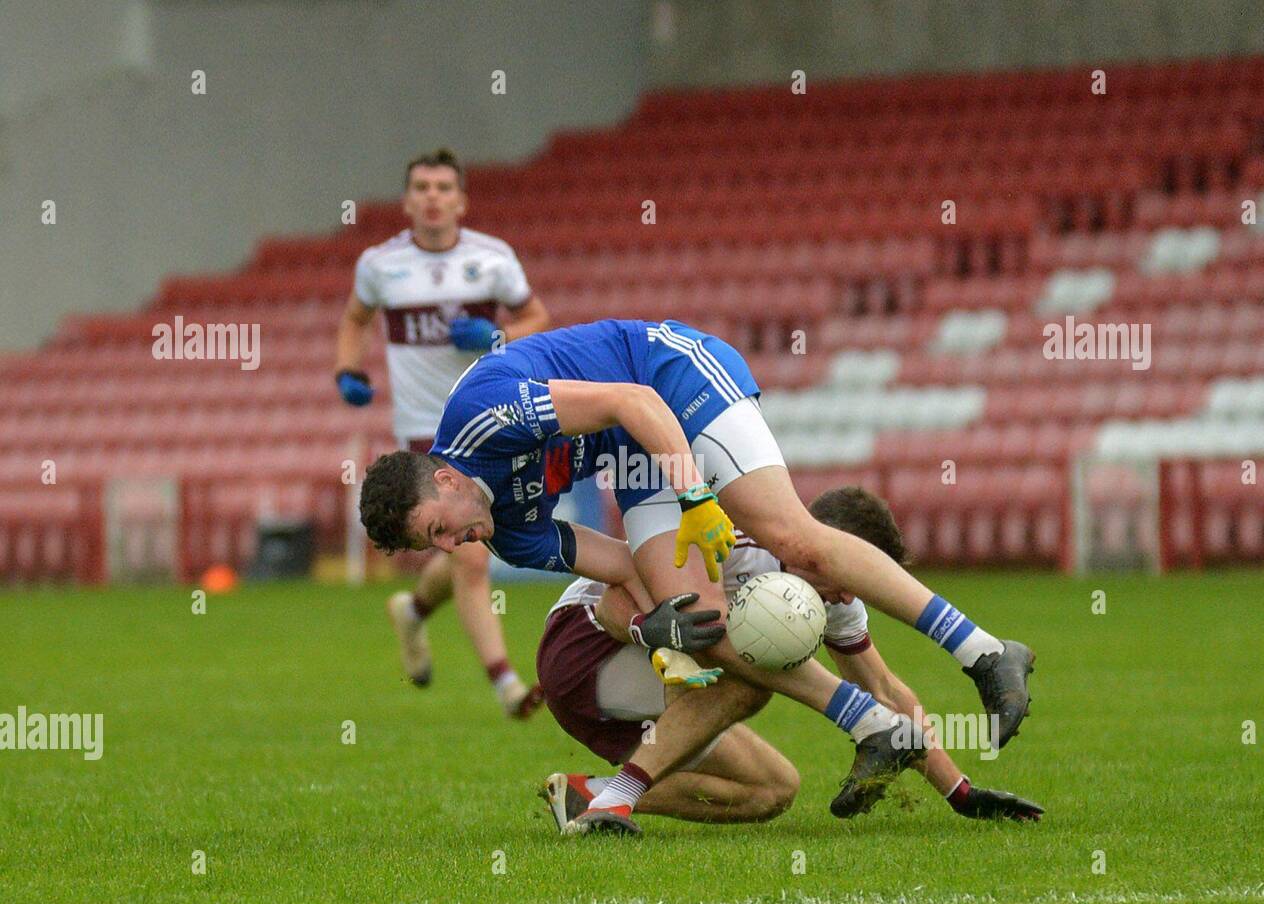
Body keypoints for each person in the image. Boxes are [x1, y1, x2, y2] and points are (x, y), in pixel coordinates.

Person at [358, 318, 1035, 830]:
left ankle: (983, 650)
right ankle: (870, 728)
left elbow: (635, 402)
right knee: (706, 626)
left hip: (667, 380)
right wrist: (657, 624)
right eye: (436, 544)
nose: (454, 545)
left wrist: (696, 498)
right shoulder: (509, 532)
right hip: (634, 462)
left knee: (789, 536)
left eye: (439, 527)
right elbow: (619, 566)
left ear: (446, 477)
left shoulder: (481, 418)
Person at [537, 487, 1043, 835]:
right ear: (819, 545)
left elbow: (886, 691)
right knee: (750, 670)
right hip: (587, 648)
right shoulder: (736, 541)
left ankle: (592, 798)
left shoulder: (840, 593)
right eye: (847, 572)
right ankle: (621, 794)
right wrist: (654, 636)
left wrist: (959, 792)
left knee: (772, 791)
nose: (848, 592)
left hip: (649, 679)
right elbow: (609, 599)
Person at [334, 149, 549, 716]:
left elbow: (536, 319)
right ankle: (507, 685)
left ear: (461, 200)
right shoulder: (381, 265)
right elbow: (356, 319)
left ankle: (413, 611)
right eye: (422, 187)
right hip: (423, 433)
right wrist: (348, 370)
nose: (432, 196)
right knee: (473, 556)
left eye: (443, 187)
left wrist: (497, 335)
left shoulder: (492, 259)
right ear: (407, 200)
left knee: (464, 552)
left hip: (485, 420)